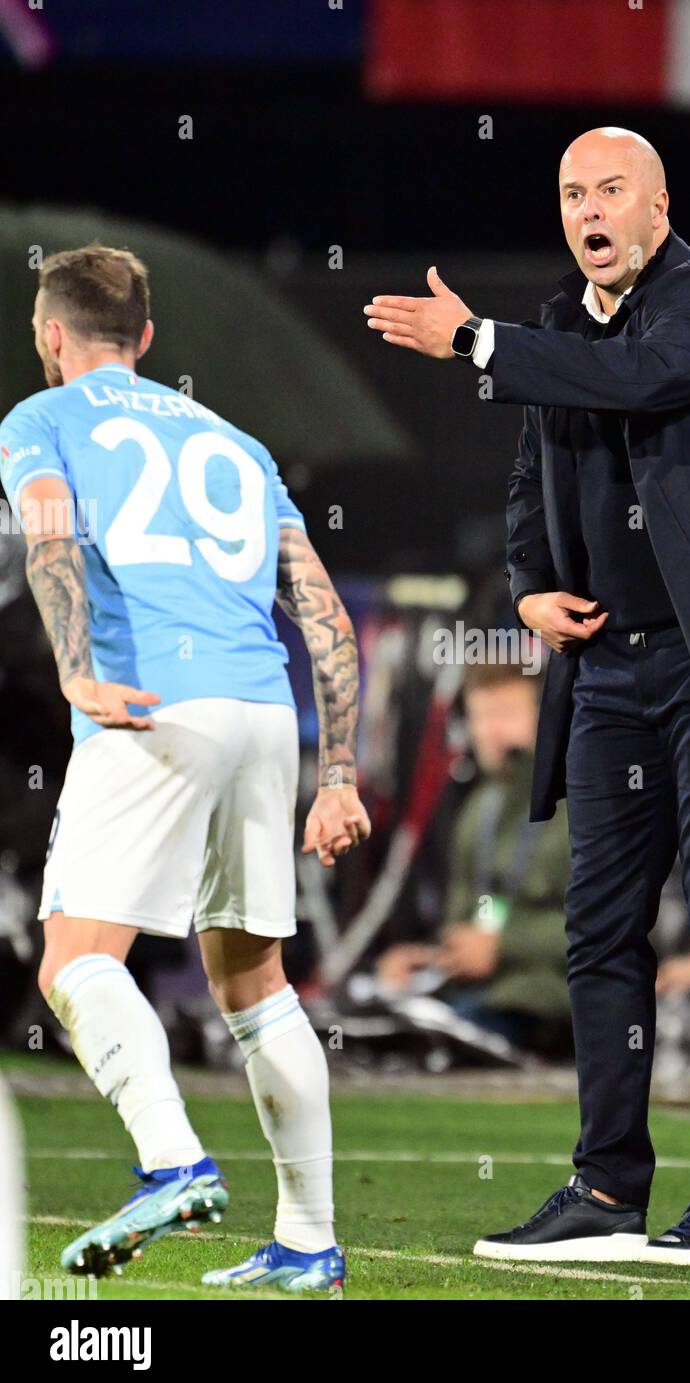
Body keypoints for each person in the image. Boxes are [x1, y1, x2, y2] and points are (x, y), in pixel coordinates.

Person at [364, 127, 690, 1264]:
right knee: (599, 929)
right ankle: (605, 1188)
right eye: (571, 192)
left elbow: (630, 380)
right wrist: (533, 585)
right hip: (608, 668)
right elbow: (534, 469)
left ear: (658, 203)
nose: (589, 208)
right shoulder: (554, 328)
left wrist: (477, 341)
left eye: (611, 190)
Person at [0, 245, 370, 1293]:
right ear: (148, 338)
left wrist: (75, 669)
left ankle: (172, 1160)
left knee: (72, 960)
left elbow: (51, 537)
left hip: (153, 702)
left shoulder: (42, 420)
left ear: (51, 336)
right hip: (264, 711)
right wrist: (337, 767)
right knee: (256, 987)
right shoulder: (238, 442)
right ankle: (309, 1242)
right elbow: (325, 612)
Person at [378, 663, 571, 1052]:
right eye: (481, 716)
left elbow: (619, 929)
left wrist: (504, 945)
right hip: (477, 1001)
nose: (491, 731)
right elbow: (471, 920)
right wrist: (433, 959)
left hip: (553, 1008)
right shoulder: (479, 811)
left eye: (506, 714)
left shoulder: (584, 808)